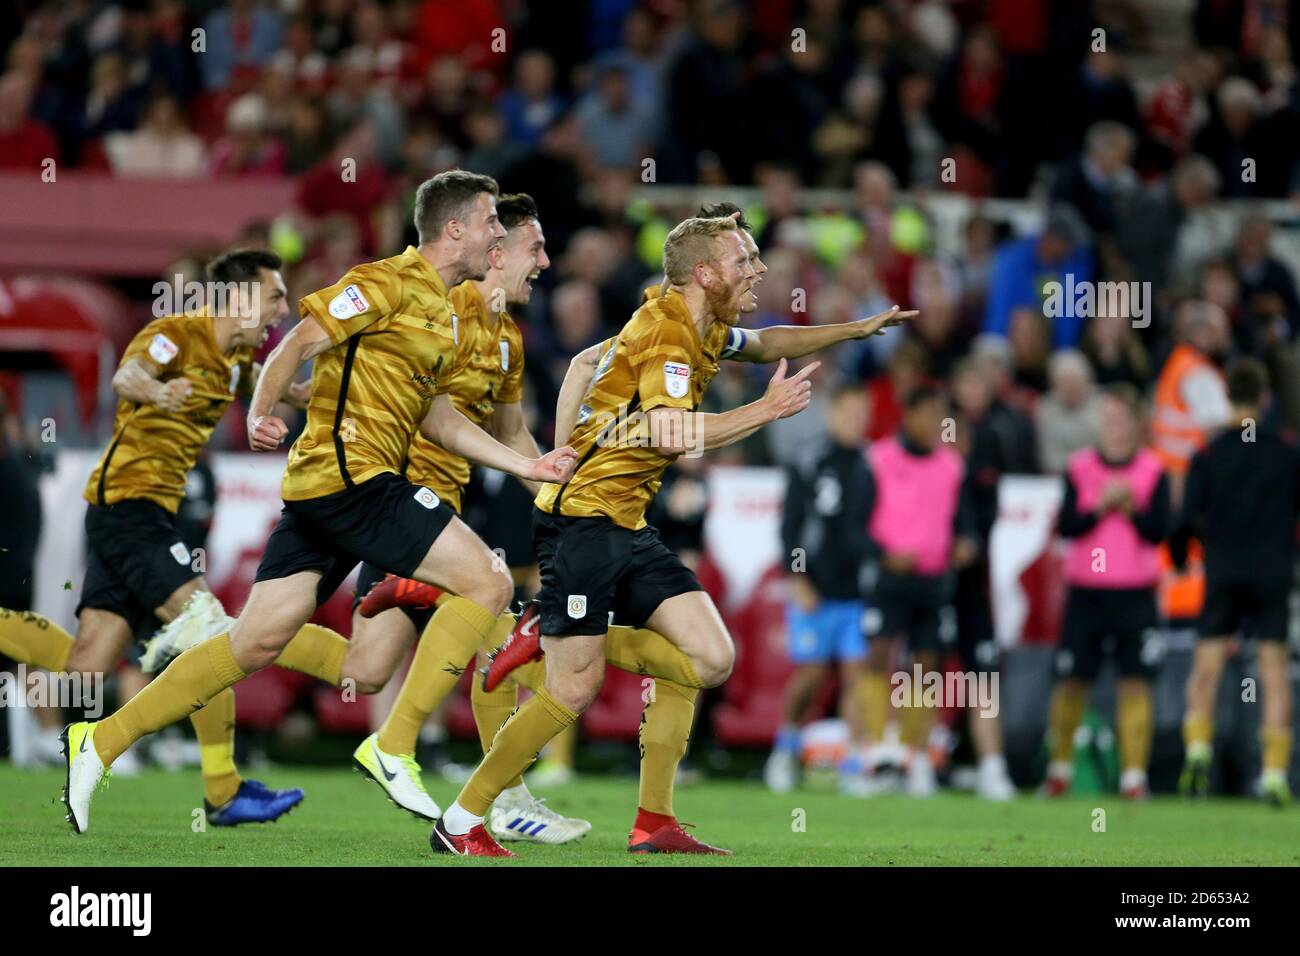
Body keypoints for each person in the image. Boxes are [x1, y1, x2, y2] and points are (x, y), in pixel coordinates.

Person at [59, 170, 579, 835]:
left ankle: (98, 743)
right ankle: (395, 747)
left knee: (262, 640)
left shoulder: (446, 313)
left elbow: (440, 419)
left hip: (324, 492)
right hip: (354, 479)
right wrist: (260, 409)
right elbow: (300, 341)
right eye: (491, 224)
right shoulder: (385, 281)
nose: (500, 237)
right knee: (487, 581)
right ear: (457, 229)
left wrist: (526, 465)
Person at [437, 214, 915, 856]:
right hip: (583, 522)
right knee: (574, 689)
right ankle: (462, 819)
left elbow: (762, 342)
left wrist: (856, 328)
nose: (759, 270)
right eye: (744, 261)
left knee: (708, 659)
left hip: (624, 521)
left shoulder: (701, 322)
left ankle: (652, 820)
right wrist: (763, 412)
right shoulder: (665, 332)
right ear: (705, 273)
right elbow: (670, 431)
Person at [0, 249, 308, 825]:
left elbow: (285, 388)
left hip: (144, 514)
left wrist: (332, 394)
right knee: (212, 637)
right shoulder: (175, 335)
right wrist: (155, 392)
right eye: (273, 296)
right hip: (129, 505)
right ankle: (223, 789)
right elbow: (128, 374)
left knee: (86, 668)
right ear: (239, 297)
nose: (281, 309)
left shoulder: (237, 359)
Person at [1172, 358, 1299, 805]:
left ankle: (1198, 753)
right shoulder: (1286, 452)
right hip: (1271, 571)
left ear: (1227, 397)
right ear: (1264, 399)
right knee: (1273, 671)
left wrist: (1178, 556)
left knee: (1207, 667)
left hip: (1223, 570)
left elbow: (1184, 519)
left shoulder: (1208, 454)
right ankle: (1273, 774)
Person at [1044, 385, 1170, 801]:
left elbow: (1160, 532)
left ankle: (1134, 779)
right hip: (1087, 594)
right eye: (1108, 420)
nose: (1112, 429)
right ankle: (1059, 770)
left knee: (1136, 684)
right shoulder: (1079, 468)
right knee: (1072, 682)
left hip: (1135, 593)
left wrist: (1131, 508)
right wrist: (1098, 506)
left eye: (1120, 421)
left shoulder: (1153, 470)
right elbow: (1065, 527)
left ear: (1136, 425)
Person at [860, 386, 980, 797]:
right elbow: (853, 526)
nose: (935, 424)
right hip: (890, 578)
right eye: (928, 414)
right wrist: (884, 555)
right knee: (877, 657)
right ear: (907, 415)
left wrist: (966, 543)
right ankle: (876, 755)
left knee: (925, 669)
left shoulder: (952, 466)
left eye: (940, 415)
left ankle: (915, 758)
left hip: (934, 580)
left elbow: (966, 523)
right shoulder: (878, 460)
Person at [765, 384, 874, 796]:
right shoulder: (810, 460)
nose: (855, 422)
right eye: (849, 413)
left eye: (862, 415)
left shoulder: (870, 464)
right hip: (815, 588)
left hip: (855, 591)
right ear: (832, 415)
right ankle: (784, 750)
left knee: (856, 676)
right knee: (810, 675)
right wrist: (796, 578)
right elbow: (790, 525)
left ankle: (851, 766)